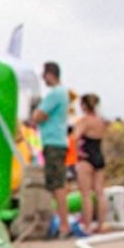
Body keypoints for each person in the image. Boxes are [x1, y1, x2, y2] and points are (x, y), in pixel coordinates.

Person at [33, 61, 71, 238]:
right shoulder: (63, 94)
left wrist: (36, 112)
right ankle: (61, 223)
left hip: (53, 142)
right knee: (56, 183)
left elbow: (38, 116)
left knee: (56, 185)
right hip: (58, 141)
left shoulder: (55, 94)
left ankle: (63, 226)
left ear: (50, 74)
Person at [72, 93, 107, 234]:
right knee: (100, 192)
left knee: (85, 194)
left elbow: (75, 137)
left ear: (84, 106)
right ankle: (102, 223)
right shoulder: (101, 121)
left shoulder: (84, 121)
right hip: (99, 155)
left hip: (86, 157)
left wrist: (77, 153)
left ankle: (87, 226)